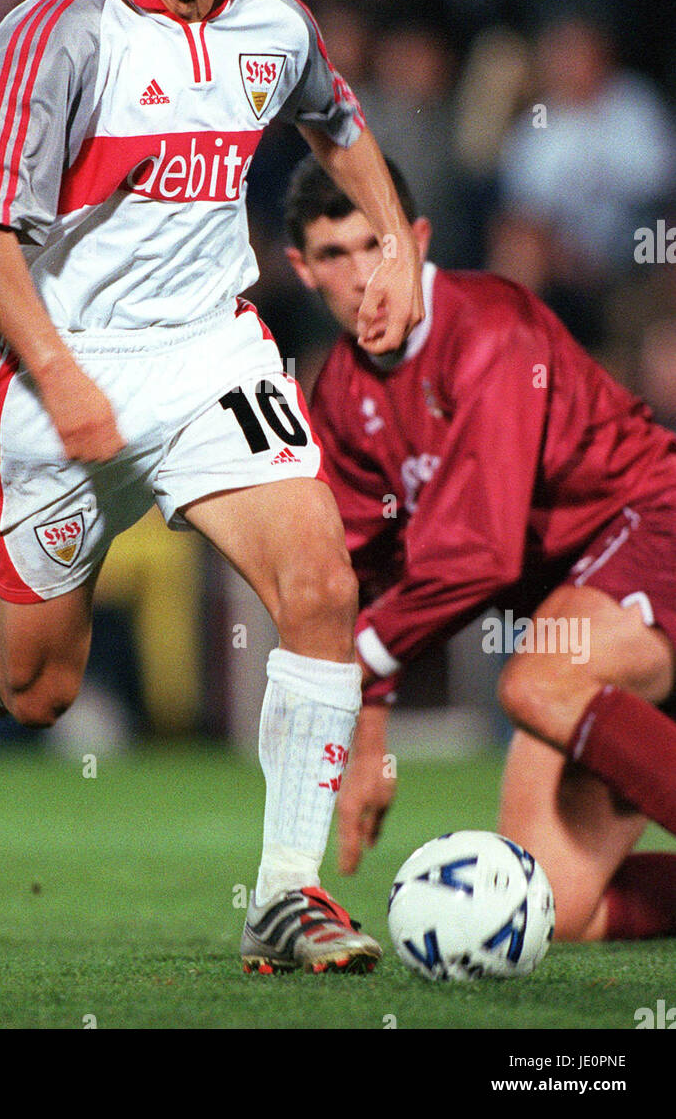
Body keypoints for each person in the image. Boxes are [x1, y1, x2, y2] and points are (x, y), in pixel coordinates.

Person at [0, 0, 424, 974]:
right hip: (69, 374)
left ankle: (284, 894)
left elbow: (336, 121)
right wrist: (56, 371)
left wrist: (394, 243)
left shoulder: (276, 26)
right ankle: (0, 639)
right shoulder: (59, 34)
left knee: (316, 581)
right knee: (40, 694)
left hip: (211, 352)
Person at [285, 153, 676, 943]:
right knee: (553, 905)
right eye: (335, 254)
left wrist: (351, 662)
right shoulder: (339, 394)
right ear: (301, 269)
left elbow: (484, 554)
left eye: (376, 245)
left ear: (417, 239)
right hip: (575, 622)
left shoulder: (492, 327)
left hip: (652, 525)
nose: (362, 276)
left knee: (534, 682)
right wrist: (367, 747)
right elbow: (369, 573)